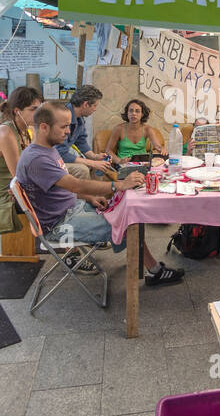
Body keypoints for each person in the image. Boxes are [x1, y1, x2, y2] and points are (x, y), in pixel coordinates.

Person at [16, 101, 185, 286]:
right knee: (130, 224)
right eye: (64, 127)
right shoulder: (37, 159)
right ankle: (155, 271)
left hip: (71, 208)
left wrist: (89, 197)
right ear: (44, 127)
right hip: (59, 225)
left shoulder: (48, 150)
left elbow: (63, 188)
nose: (68, 132)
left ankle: (141, 259)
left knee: (127, 211)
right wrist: (118, 185)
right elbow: (76, 185)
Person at [0, 86, 43, 238]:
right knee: (60, 191)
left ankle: (70, 238)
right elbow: (20, 176)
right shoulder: (6, 134)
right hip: (8, 196)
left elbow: (36, 160)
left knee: (68, 178)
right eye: (33, 109)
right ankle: (66, 241)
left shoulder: (26, 130)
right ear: (18, 111)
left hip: (21, 187)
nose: (38, 113)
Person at [56, 85, 115, 180]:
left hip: (60, 157)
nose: (95, 109)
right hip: (52, 160)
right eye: (95, 105)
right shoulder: (63, 117)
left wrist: (95, 157)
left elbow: (81, 141)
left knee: (93, 166)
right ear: (86, 104)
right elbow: (60, 153)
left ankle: (91, 192)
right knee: (83, 169)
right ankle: (85, 194)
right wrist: (92, 163)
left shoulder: (79, 118)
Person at [106, 98, 165, 163]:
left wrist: (162, 149)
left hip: (142, 163)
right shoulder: (119, 129)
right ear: (127, 113)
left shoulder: (148, 129)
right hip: (124, 165)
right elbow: (108, 150)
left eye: (137, 111)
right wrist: (119, 161)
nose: (133, 113)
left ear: (142, 114)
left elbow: (158, 146)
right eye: (131, 111)